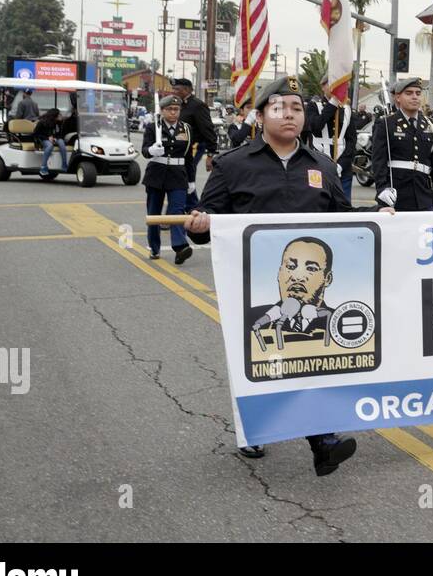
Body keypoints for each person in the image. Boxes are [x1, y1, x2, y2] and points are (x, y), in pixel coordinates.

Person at [182, 74, 391, 475]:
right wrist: (200, 226)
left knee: (309, 354)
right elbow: (211, 224)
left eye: (297, 108)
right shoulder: (232, 165)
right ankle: (256, 428)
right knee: (262, 358)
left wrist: (376, 218)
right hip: (252, 282)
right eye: (280, 108)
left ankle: (324, 438)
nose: (290, 115)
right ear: (260, 116)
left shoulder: (323, 166)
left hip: (308, 286)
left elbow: (342, 221)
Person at [370, 76, 433, 213]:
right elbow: (378, 161)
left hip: (424, 197)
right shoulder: (386, 124)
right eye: (409, 93)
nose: (415, 97)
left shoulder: (429, 125)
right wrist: (382, 189)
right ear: (398, 98)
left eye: (418, 93)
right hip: (395, 196)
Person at [142, 96, 193, 264]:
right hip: (156, 174)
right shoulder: (153, 127)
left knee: (176, 212)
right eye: (169, 109)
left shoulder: (186, 129)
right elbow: (144, 151)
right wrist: (151, 150)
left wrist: (191, 181)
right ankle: (154, 247)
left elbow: (188, 157)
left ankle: (180, 247)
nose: (173, 112)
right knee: (154, 213)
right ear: (162, 111)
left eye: (176, 109)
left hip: (178, 175)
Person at [172, 78, 217, 212]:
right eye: (174, 89)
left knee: (185, 174)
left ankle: (188, 208)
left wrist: (210, 153)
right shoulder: (179, 105)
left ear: (187, 90)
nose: (174, 92)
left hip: (194, 147)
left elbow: (207, 129)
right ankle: (192, 207)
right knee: (182, 175)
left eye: (177, 89)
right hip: (180, 147)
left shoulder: (198, 105)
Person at [305, 95, 359, 201]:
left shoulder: (347, 109)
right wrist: (332, 105)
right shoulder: (314, 106)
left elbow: (351, 141)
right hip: (318, 165)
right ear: (323, 86)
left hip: (342, 168)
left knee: (343, 208)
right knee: (318, 205)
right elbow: (315, 127)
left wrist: (341, 165)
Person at [34, 108, 68, 176]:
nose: (61, 115)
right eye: (59, 114)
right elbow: (36, 134)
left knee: (61, 143)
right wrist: (47, 138)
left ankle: (64, 164)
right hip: (43, 139)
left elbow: (60, 134)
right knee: (50, 146)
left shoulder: (58, 123)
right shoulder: (42, 122)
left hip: (54, 138)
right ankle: (43, 167)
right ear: (54, 116)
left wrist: (55, 138)